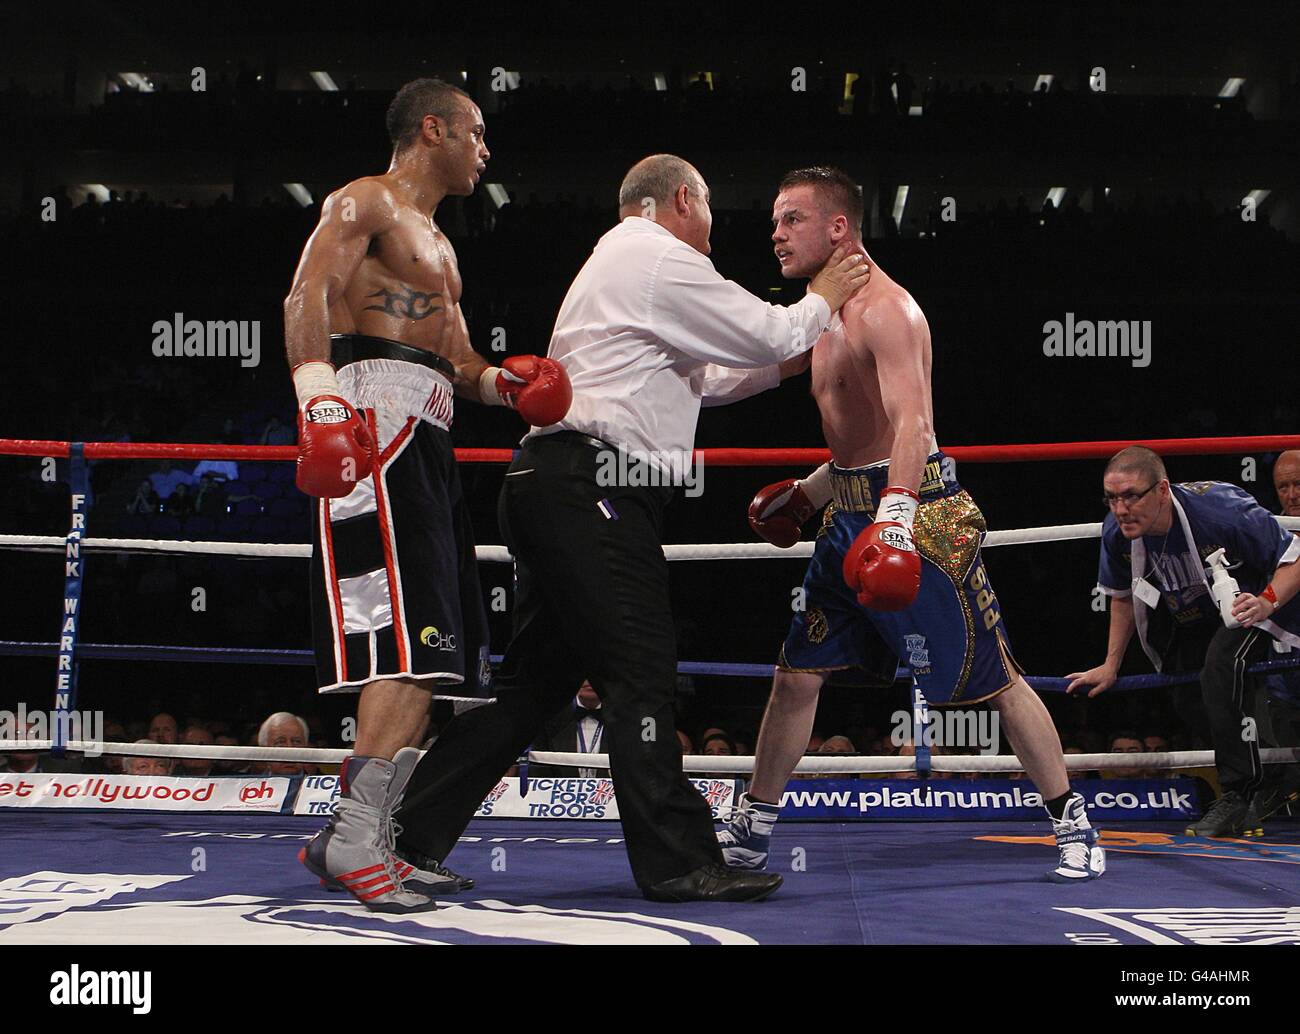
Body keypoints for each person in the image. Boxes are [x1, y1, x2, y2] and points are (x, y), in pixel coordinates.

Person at [393, 153, 869, 903]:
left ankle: (401, 836)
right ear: (684, 199)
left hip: (558, 483)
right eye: (710, 210)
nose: (715, 230)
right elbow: (764, 332)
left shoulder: (618, 261)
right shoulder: (656, 254)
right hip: (595, 487)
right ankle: (680, 860)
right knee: (642, 666)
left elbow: (703, 377)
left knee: (530, 687)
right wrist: (823, 296)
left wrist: (789, 357)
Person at [719, 166, 1105, 882]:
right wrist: (807, 493)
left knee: (997, 680)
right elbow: (820, 417)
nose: (774, 232)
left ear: (838, 228)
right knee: (795, 675)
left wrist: (894, 521)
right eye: (775, 220)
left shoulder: (888, 310)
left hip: (920, 515)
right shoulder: (820, 310)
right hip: (846, 516)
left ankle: (1071, 818)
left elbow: (913, 425)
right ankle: (753, 826)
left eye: (790, 219)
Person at [285, 77, 571, 913]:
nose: (486, 150)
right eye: (476, 134)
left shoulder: (441, 245)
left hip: (432, 428)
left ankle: (366, 837)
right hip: (374, 422)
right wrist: (319, 397)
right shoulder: (364, 201)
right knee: (405, 646)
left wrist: (508, 386)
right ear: (433, 128)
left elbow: (457, 359)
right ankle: (352, 838)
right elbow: (304, 294)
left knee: (438, 653)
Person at [1066, 446, 1300, 835]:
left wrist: (1266, 601)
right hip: (1198, 614)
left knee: (1220, 667)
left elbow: (1295, 555)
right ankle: (1272, 774)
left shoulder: (1222, 510)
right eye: (1112, 497)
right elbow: (1122, 596)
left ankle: (1238, 795)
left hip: (1258, 602)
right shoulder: (1117, 531)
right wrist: (1111, 664)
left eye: (1130, 496)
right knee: (1184, 690)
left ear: (1161, 490)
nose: (1120, 508)